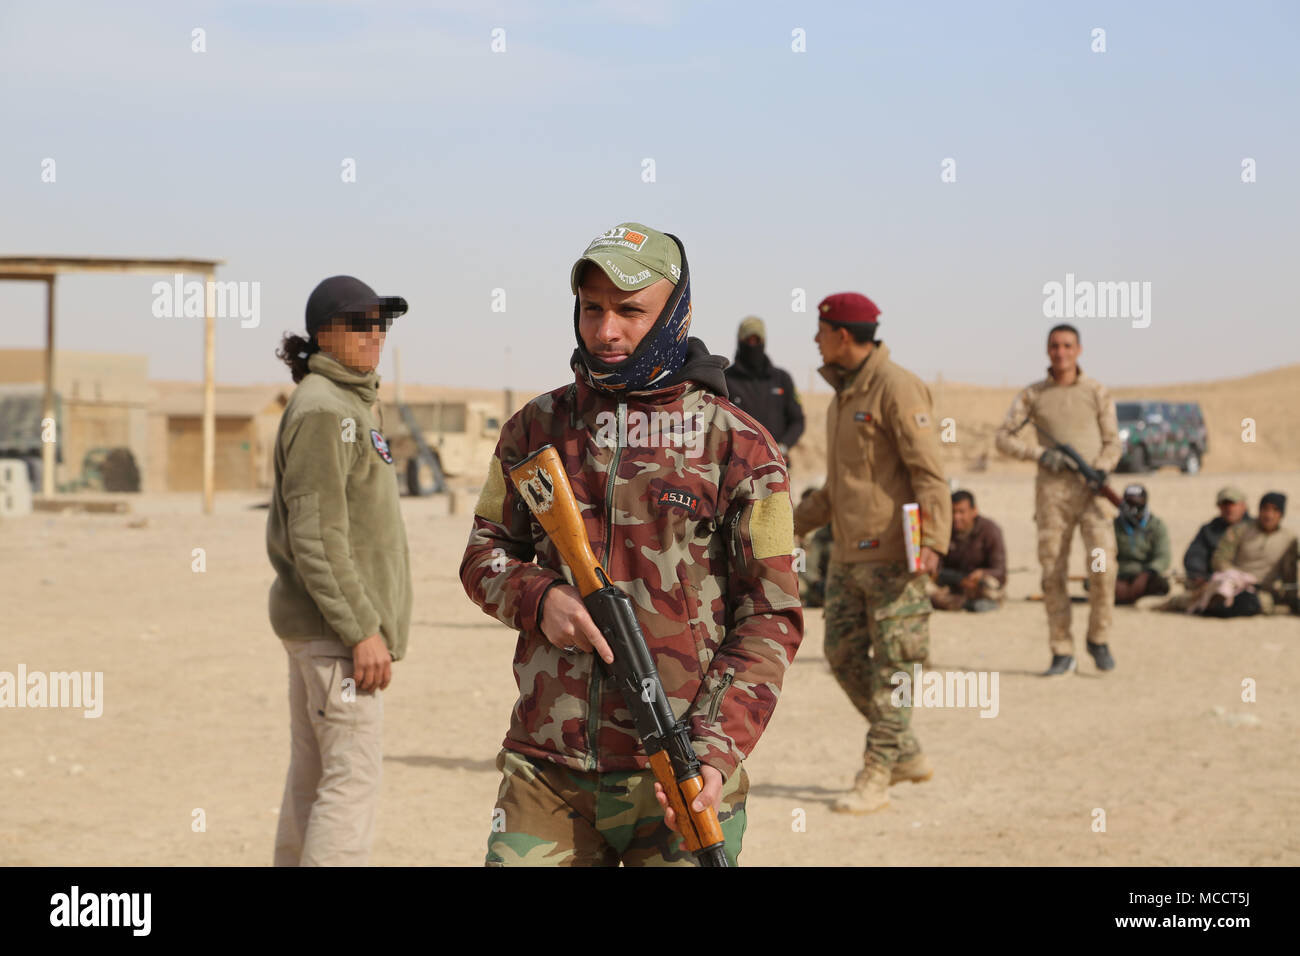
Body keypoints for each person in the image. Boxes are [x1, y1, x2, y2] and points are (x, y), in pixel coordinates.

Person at [460, 222, 803, 866]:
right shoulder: (535, 428)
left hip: (679, 770)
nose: (606, 331)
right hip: (548, 766)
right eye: (592, 309)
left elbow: (771, 615)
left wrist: (713, 753)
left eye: (630, 311)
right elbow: (485, 554)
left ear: (677, 314)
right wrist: (539, 597)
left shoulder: (741, 447)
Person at [266, 276, 413, 866]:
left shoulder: (345, 403)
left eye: (381, 323)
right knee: (351, 781)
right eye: (359, 323)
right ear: (323, 334)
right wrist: (361, 630)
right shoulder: (326, 409)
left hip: (326, 631)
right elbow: (317, 537)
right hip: (336, 635)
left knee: (315, 777)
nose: (374, 334)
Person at [793, 292, 950, 815]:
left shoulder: (896, 387)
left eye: (821, 331)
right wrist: (787, 526)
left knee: (895, 667)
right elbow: (839, 488)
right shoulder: (841, 397)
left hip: (896, 558)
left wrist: (933, 541)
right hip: (847, 557)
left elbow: (929, 473)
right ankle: (905, 751)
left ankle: (877, 772)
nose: (815, 340)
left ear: (842, 335)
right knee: (840, 656)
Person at [994, 324, 1121, 676]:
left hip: (1093, 495)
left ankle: (1098, 637)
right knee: (1053, 573)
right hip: (1052, 496)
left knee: (1103, 568)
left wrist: (1101, 468)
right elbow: (1003, 438)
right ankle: (1062, 650)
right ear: (1047, 350)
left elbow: (1113, 441)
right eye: (1054, 346)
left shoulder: (1096, 392)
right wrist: (1040, 454)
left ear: (1078, 350)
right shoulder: (1033, 395)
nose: (1061, 352)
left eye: (1067, 345)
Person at [1197, 492, 1297, 617]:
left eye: (1275, 510)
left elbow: (1290, 573)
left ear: (1281, 514)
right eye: (1265, 509)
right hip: (1234, 583)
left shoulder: (1289, 539)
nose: (1269, 515)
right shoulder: (1240, 530)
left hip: (1263, 590)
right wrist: (1239, 577)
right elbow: (1220, 559)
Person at [723, 316, 805, 466]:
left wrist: (782, 447)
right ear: (740, 341)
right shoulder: (725, 380)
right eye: (748, 340)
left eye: (757, 340)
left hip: (777, 465)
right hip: (738, 467)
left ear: (764, 341)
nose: (752, 345)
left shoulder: (782, 379)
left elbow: (797, 420)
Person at [929, 490, 1006, 612]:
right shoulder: (944, 530)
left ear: (974, 511)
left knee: (991, 586)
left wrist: (981, 573)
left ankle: (960, 603)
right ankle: (966, 604)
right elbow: (936, 568)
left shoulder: (990, 530)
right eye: (953, 512)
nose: (956, 517)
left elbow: (1000, 571)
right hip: (951, 585)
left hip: (977, 585)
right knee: (925, 588)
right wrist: (959, 579)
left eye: (961, 512)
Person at [1113, 484, 1171, 604]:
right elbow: (1098, 552)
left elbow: (1163, 556)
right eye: (1129, 504)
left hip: (1144, 574)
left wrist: (1146, 574)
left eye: (1137, 504)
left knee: (1161, 585)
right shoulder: (1111, 525)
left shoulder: (1156, 525)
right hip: (1116, 575)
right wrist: (1104, 576)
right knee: (1094, 582)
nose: (1133, 509)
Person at [1184, 486, 1250, 587]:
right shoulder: (1209, 530)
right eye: (1224, 505)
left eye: (1233, 504)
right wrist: (1198, 574)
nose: (1229, 509)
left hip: (1249, 579)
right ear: (1219, 507)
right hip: (1215, 580)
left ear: (1243, 506)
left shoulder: (1254, 528)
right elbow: (1195, 554)